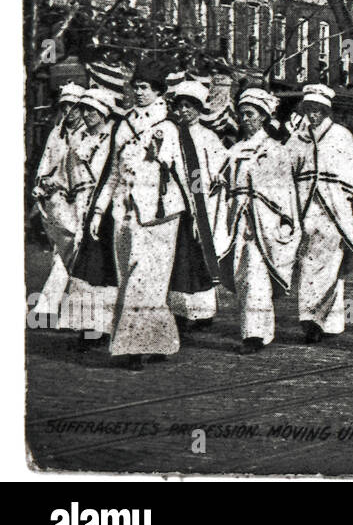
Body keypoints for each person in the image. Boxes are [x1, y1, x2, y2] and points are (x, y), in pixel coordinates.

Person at [89, 61, 187, 372]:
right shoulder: (123, 125)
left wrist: (161, 154)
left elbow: (180, 169)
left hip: (159, 216)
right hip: (125, 212)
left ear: (159, 91)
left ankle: (133, 349)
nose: (140, 93)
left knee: (146, 282)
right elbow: (112, 173)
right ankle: (158, 341)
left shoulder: (169, 126)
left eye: (146, 88)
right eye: (137, 87)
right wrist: (98, 210)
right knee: (128, 278)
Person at [211, 88, 300, 354]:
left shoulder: (274, 150)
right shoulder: (235, 150)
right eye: (242, 115)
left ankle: (255, 335)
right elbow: (224, 181)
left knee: (256, 276)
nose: (245, 119)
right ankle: (256, 330)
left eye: (250, 114)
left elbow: (285, 189)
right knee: (243, 277)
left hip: (264, 221)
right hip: (238, 220)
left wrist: (280, 217)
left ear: (262, 117)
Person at [289, 84, 353, 343]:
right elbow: (285, 170)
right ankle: (313, 317)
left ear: (326, 111)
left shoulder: (341, 136)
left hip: (335, 211)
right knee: (307, 265)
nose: (312, 115)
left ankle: (315, 320)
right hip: (305, 210)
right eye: (308, 110)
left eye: (317, 110)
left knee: (331, 266)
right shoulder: (297, 138)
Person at [165, 81, 226, 335]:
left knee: (202, 257)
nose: (184, 111)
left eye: (189, 106)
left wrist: (216, 179)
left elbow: (221, 165)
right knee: (179, 258)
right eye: (180, 107)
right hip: (179, 202)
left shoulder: (207, 137)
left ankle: (203, 311)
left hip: (202, 203)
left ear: (199, 109)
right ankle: (179, 310)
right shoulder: (171, 134)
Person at [61, 88, 120, 345]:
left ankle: (104, 326)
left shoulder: (114, 139)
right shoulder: (78, 139)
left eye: (93, 110)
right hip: (83, 206)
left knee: (105, 268)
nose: (88, 115)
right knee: (84, 267)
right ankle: (87, 324)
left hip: (108, 210)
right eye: (85, 110)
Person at [31, 83, 87, 326]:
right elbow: (46, 163)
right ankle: (53, 307)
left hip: (80, 200)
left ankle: (51, 305)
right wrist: (43, 183)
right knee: (62, 252)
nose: (69, 112)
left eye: (74, 107)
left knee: (74, 251)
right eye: (64, 107)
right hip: (57, 203)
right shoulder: (57, 133)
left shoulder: (88, 133)